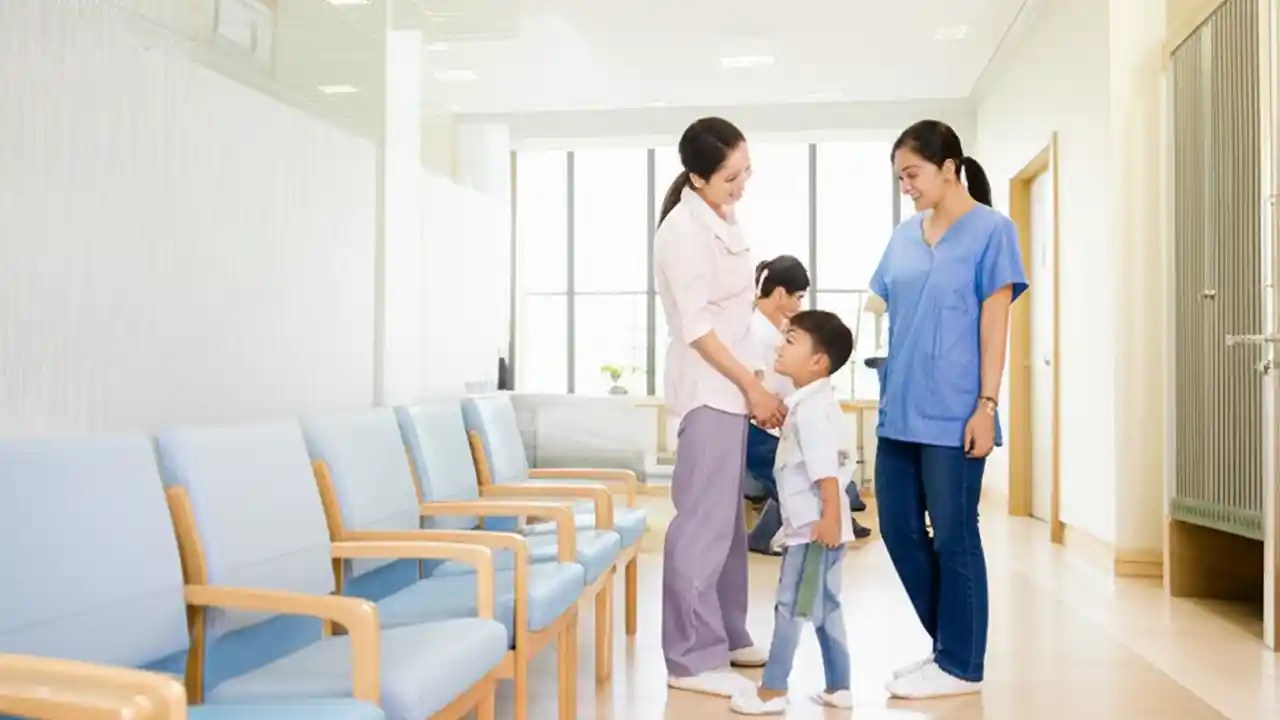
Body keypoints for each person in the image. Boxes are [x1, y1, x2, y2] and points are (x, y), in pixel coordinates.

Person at [871, 119, 1028, 699]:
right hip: (900, 411)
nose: (905, 186)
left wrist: (987, 404)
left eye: (911, 174)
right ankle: (949, 647)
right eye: (898, 177)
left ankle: (962, 665)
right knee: (898, 529)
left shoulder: (992, 231)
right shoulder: (903, 236)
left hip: (956, 413)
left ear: (948, 168)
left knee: (954, 535)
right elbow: (888, 304)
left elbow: (995, 324)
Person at [655, 117, 784, 697]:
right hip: (707, 390)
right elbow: (698, 330)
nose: (742, 184)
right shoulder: (682, 230)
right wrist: (749, 386)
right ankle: (688, 656)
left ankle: (728, 632)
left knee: (728, 527)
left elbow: (736, 316)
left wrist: (760, 376)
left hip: (732, 387)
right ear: (697, 177)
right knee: (701, 527)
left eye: (746, 171)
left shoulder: (723, 218)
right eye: (732, 176)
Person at [729, 310, 857, 715]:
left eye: (790, 340)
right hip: (817, 530)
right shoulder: (809, 404)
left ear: (818, 361)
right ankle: (840, 687)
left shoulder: (812, 412)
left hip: (812, 533)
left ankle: (773, 689)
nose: (780, 346)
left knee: (791, 607)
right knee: (825, 606)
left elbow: (826, 474)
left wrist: (829, 520)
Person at [743, 257, 870, 555]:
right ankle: (817, 525)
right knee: (800, 480)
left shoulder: (777, 329)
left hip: (785, 418)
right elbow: (755, 384)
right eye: (798, 297)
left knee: (822, 478)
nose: (800, 304)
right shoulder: (757, 331)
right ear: (779, 294)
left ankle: (825, 519)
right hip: (766, 423)